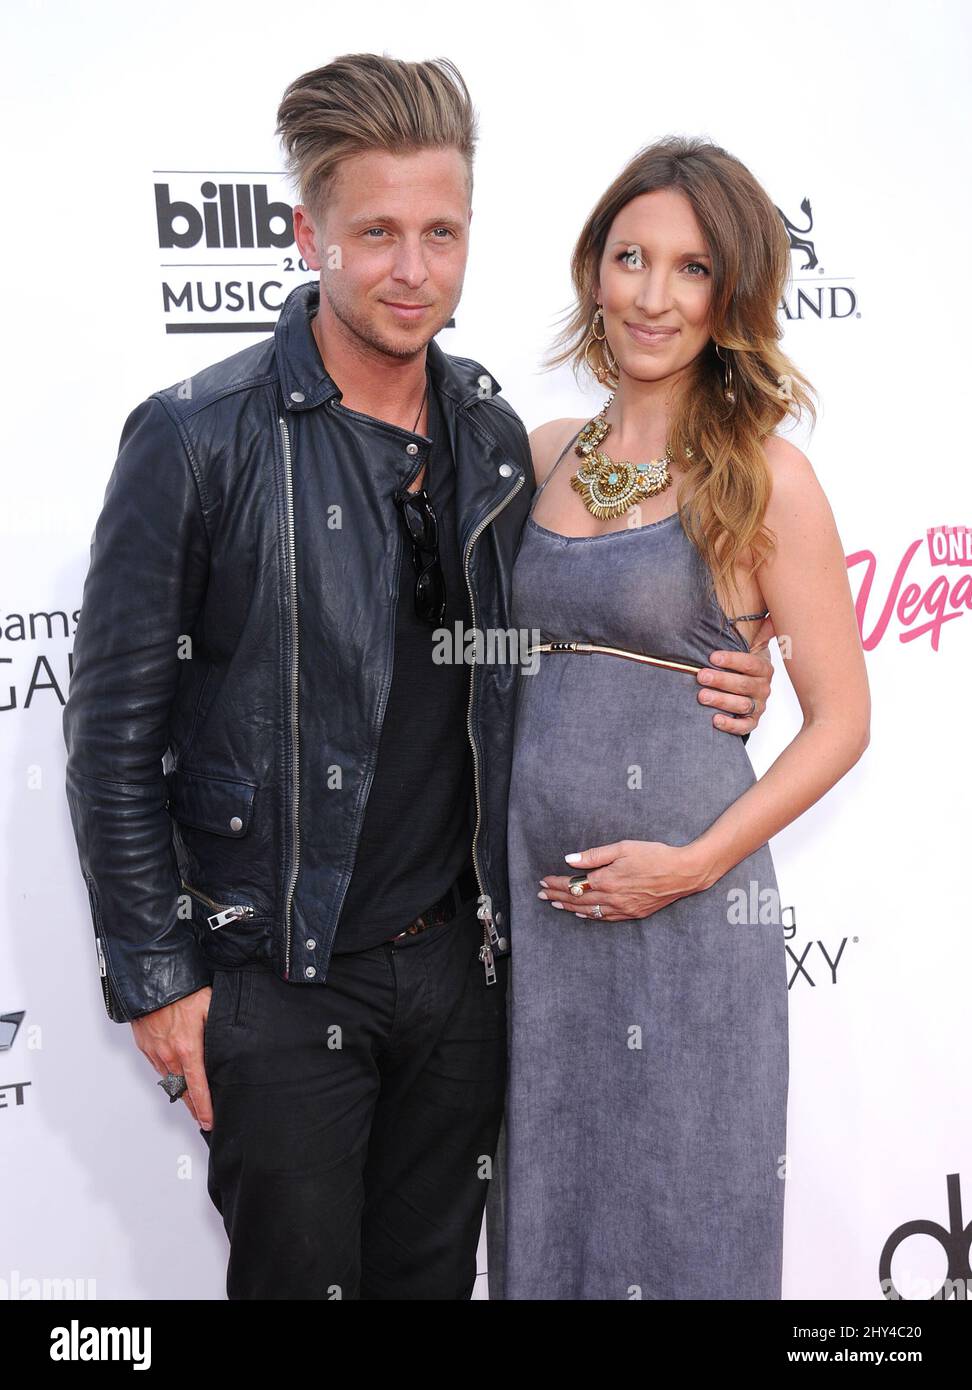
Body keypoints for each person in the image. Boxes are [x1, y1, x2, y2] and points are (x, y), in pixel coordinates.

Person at [61, 58, 774, 1300]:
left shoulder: (493, 437)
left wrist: (713, 665)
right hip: (280, 979)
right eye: (376, 233)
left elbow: (516, 645)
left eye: (440, 233)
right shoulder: (196, 437)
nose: (412, 268)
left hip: (459, 975)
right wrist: (159, 979)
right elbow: (113, 737)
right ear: (308, 236)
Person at [485, 136, 871, 1300]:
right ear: (592, 272)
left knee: (686, 1204)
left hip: (692, 915)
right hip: (541, 926)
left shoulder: (764, 477)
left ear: (731, 292)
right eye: (630, 258)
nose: (653, 295)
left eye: (690, 268)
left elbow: (842, 718)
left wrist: (694, 865)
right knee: (550, 1205)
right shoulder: (546, 454)